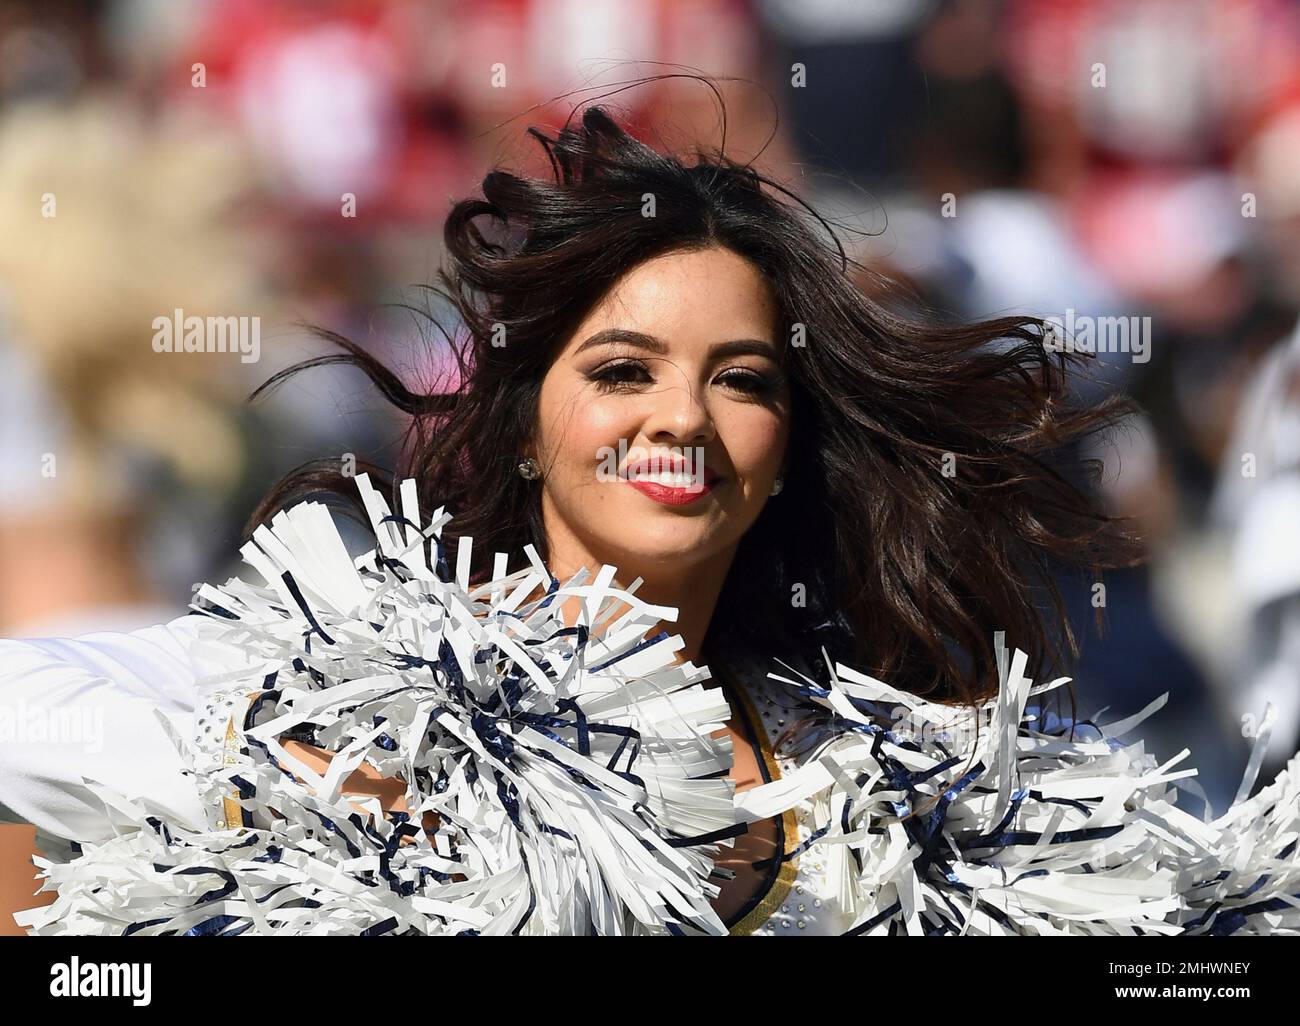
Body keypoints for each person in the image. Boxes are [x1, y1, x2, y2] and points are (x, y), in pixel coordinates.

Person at [3, 103, 1298, 936]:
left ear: (789, 445)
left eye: (740, 379)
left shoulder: (880, 785)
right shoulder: (351, 675)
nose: (679, 415)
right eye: (622, 370)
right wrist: (292, 759)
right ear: (523, 421)